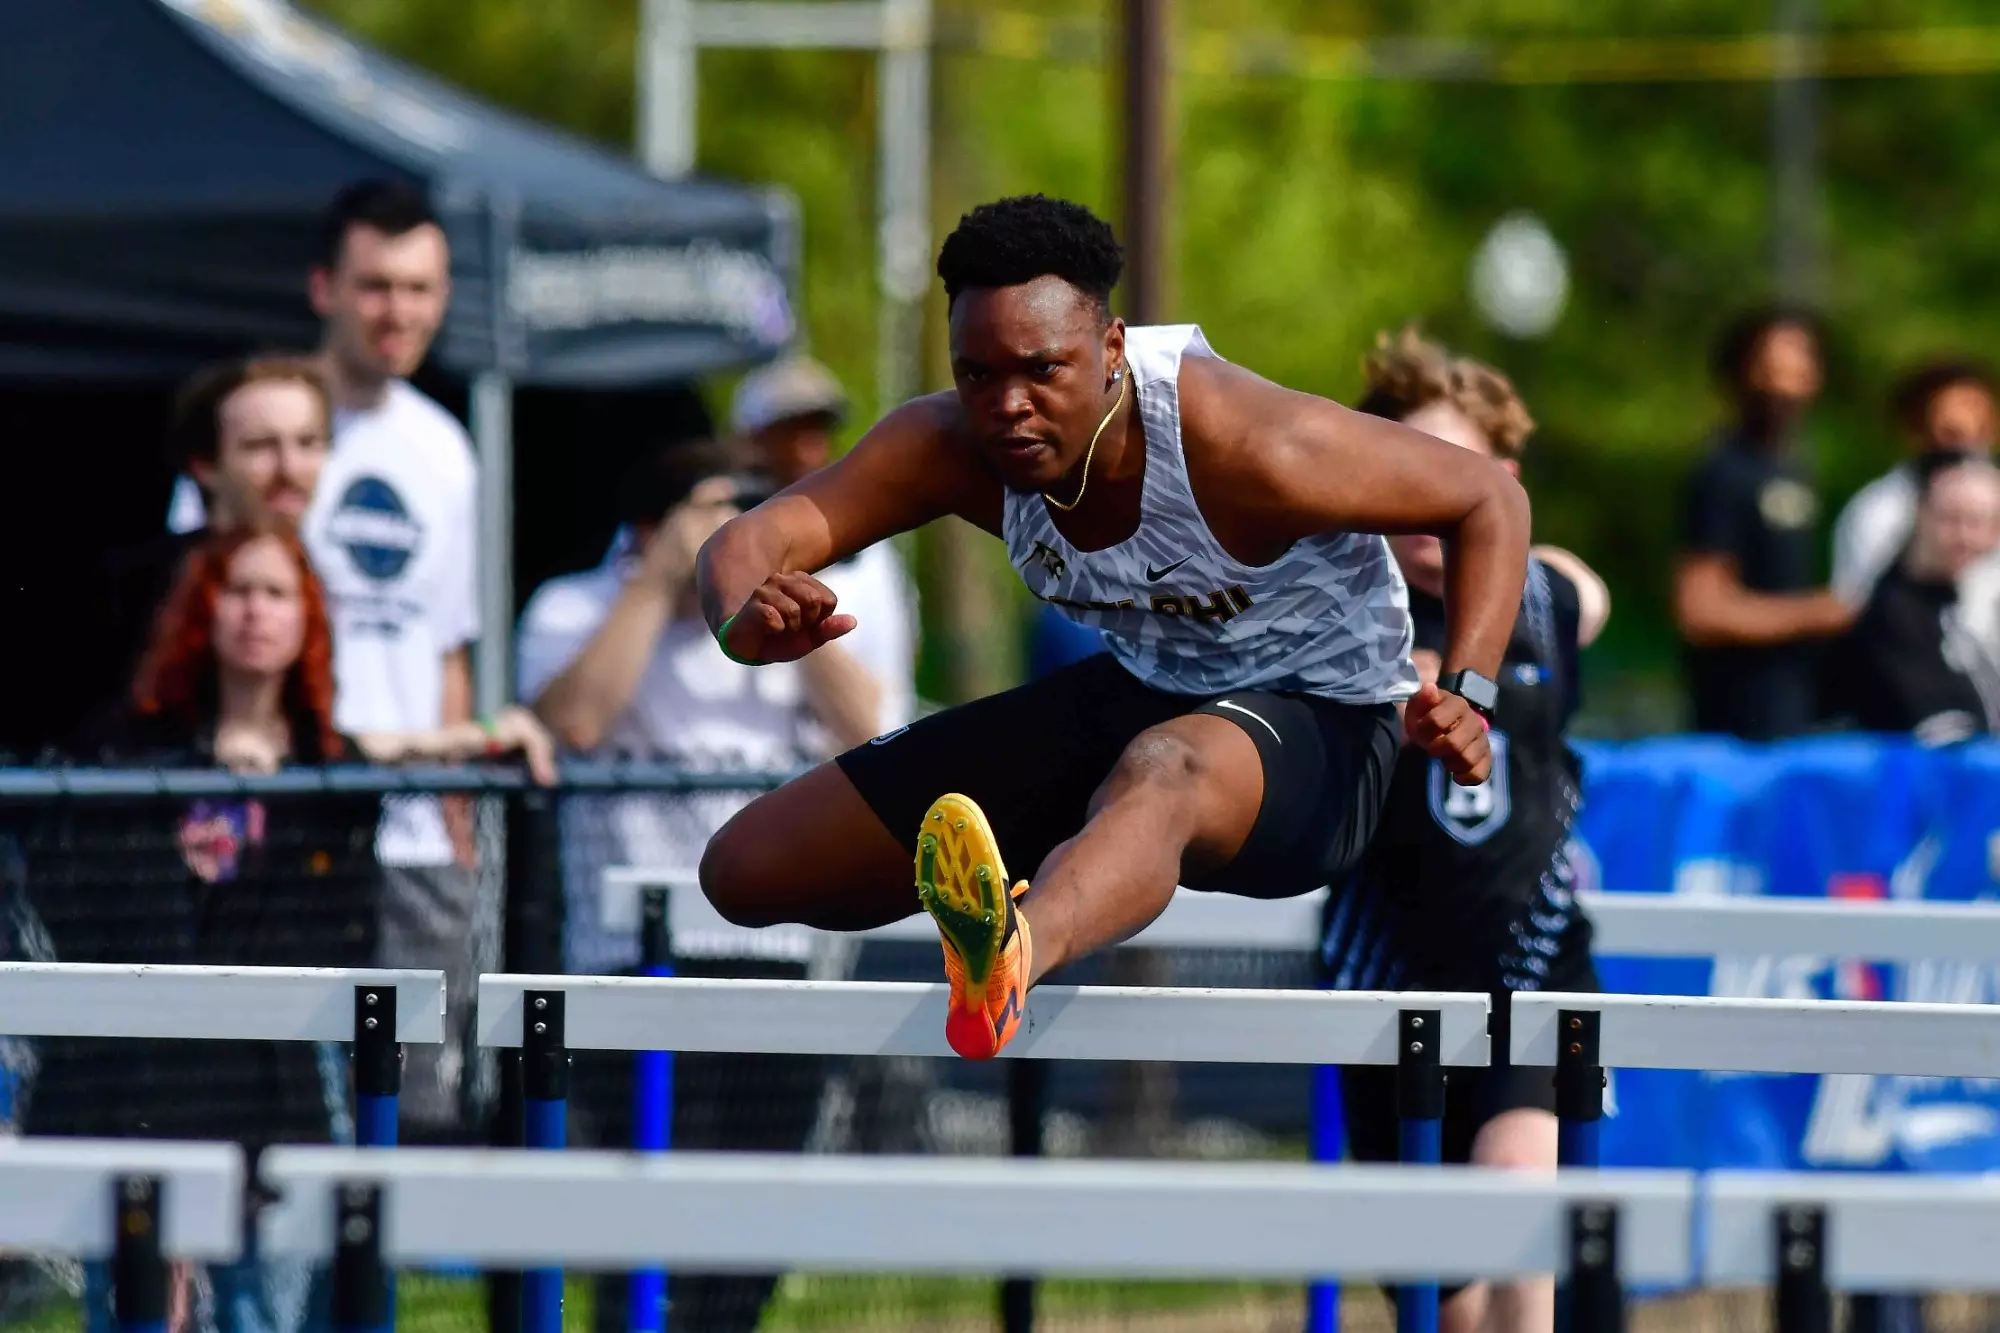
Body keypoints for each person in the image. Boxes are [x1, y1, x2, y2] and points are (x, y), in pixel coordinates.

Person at [695, 194, 1531, 1060]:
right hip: (1146, 689)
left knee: (1165, 765)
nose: (1008, 406)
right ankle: (1042, 880)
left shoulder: (1251, 445)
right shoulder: (948, 446)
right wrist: (737, 616)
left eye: (1041, 370)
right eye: (977, 373)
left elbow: (1488, 496)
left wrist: (1470, 690)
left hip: (1323, 725)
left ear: (1111, 348)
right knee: (747, 868)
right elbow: (752, 536)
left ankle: (1012, 956)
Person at [34, 523, 549, 1333]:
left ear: (307, 617)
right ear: (200, 609)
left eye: (277, 593)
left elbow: (402, 746)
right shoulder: (129, 752)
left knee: (271, 1313)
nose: (256, 612)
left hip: (283, 1092)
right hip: (146, 1083)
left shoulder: (327, 760)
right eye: (237, 591)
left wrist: (492, 733)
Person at [1325, 329, 1608, 1333]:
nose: (1429, 502)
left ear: (1501, 480)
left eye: (1455, 474)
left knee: (1514, 1207)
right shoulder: (1339, 613)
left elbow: (1586, 593)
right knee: (1442, 1290)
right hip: (1385, 976)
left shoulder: (1541, 602)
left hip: (1531, 966)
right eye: (1408, 472)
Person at [515, 440, 831, 1333]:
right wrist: (660, 584)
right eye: (718, 513)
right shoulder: (575, 606)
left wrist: (788, 595)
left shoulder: (781, 613)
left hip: (772, 951)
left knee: (760, 1203)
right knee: (643, 1213)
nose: (741, 531)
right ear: (652, 525)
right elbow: (573, 721)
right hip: (632, 956)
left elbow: (868, 730)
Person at [304, 178, 483, 1129]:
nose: (398, 310)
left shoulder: (447, 449)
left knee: (414, 1105)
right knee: (289, 1098)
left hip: (416, 837)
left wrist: (455, 818)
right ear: (323, 287)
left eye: (419, 288)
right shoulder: (266, 423)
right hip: (295, 818)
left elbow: (447, 642)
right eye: (376, 285)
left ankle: (378, 1286)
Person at [98, 355, 332, 722]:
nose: (291, 468)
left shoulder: (323, 573)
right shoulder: (131, 588)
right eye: (261, 446)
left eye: (308, 443)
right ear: (204, 465)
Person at [1673, 308, 1852, 739]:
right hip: (1738, 724)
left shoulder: (1798, 469)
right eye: (1771, 370)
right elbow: (1700, 610)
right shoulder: (1724, 471)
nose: (1785, 385)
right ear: (1738, 376)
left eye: (1799, 368)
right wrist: (1820, 612)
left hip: (1798, 710)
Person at [730, 352, 920, 746]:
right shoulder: (703, 543)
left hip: (825, 778)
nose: (806, 451)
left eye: (817, 431)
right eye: (788, 433)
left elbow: (880, 721)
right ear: (748, 443)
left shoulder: (871, 557)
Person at [1825, 453, 2000, 742]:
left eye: (1979, 522)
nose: (1965, 536)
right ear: (1920, 513)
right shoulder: (1890, 613)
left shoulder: (1966, 604)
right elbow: (1946, 738)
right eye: (1951, 519)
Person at [1831, 359, 1998, 606]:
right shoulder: (1880, 511)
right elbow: (1858, 609)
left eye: (1979, 431)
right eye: (1950, 436)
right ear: (1915, 431)